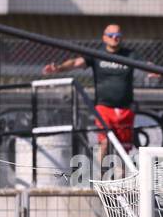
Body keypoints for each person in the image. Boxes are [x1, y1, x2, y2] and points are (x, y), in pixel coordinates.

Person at [44, 23, 153, 172]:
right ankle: (97, 177)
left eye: (118, 36)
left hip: (125, 109)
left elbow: (145, 65)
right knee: (105, 142)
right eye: (111, 35)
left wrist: (153, 71)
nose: (115, 38)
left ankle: (120, 184)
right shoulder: (97, 54)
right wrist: (59, 68)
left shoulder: (130, 55)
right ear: (104, 37)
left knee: (122, 149)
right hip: (104, 107)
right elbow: (76, 62)